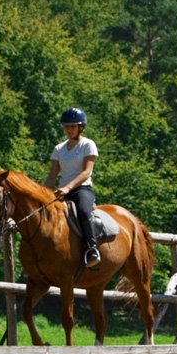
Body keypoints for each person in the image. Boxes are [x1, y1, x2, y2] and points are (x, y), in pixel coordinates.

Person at [43, 107, 100, 268]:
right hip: (61, 191)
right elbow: (52, 176)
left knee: (83, 212)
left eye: (72, 126)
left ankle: (92, 249)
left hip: (82, 189)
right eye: (66, 126)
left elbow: (86, 173)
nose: (68, 129)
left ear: (81, 127)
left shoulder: (88, 145)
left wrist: (68, 188)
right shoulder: (59, 149)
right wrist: (40, 194)